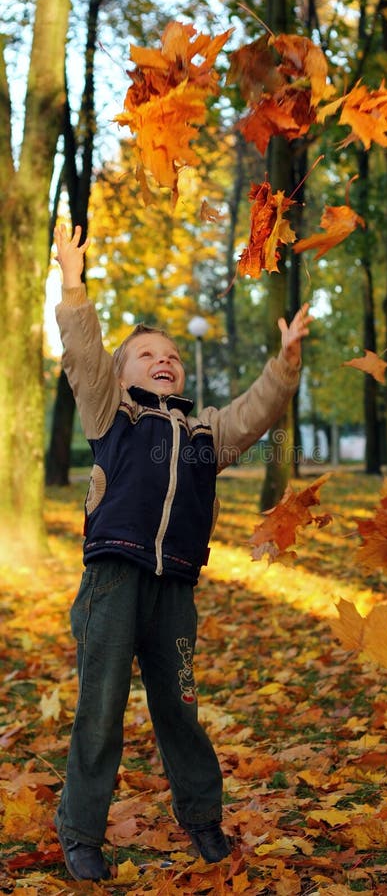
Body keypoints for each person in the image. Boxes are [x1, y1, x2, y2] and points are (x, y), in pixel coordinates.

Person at [53, 223, 312, 881]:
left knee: (181, 710)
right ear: (120, 374)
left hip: (174, 592)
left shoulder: (204, 434)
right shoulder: (112, 415)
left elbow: (254, 413)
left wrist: (284, 365)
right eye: (146, 355)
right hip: (114, 579)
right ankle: (81, 832)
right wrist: (74, 285)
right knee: (100, 712)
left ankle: (202, 819)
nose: (163, 360)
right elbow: (84, 353)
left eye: (170, 355)